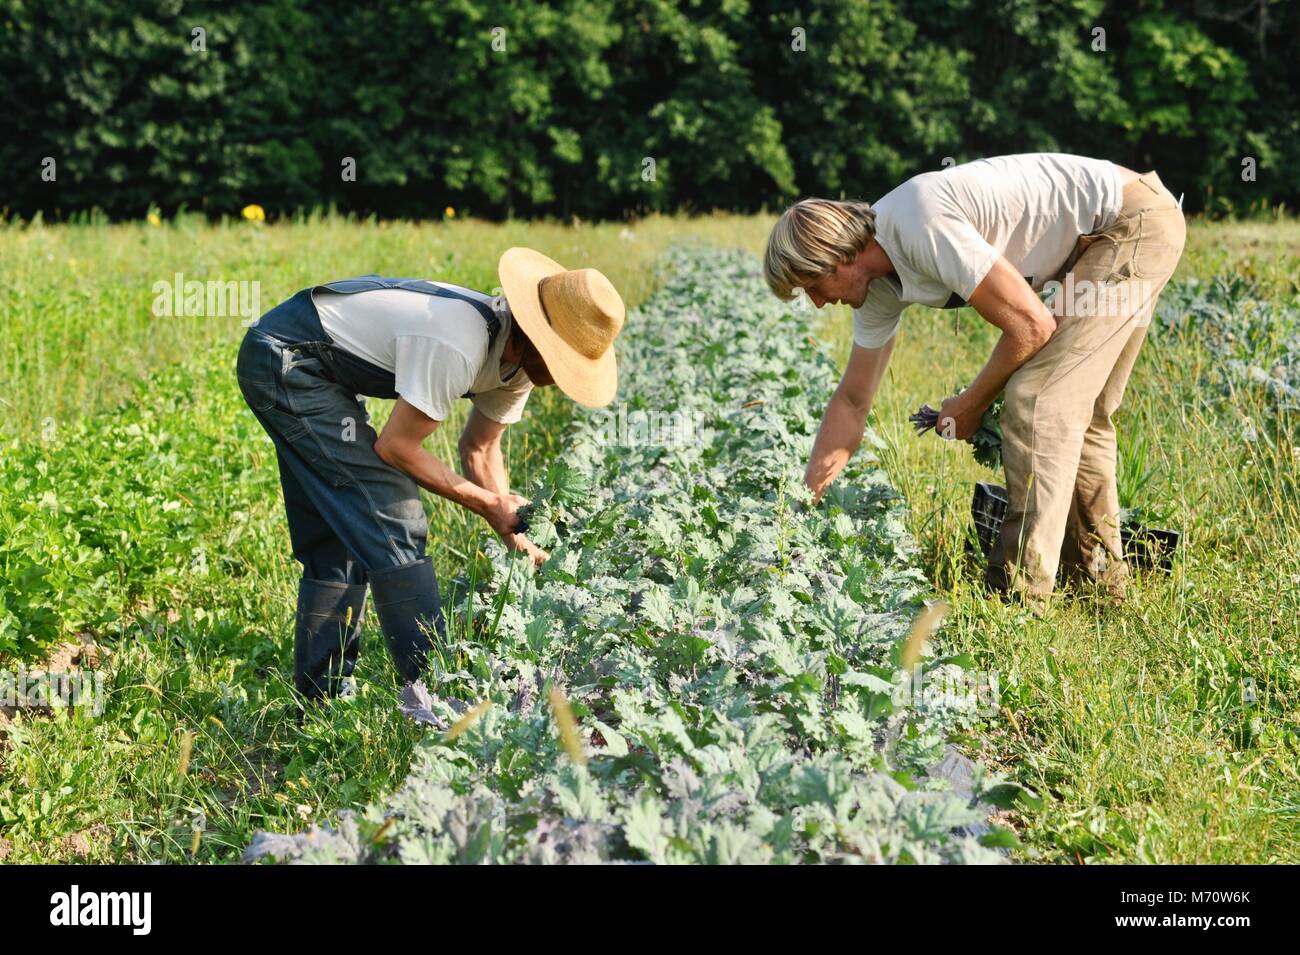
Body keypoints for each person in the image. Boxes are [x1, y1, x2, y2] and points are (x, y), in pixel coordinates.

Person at [762, 153, 1186, 605]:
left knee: (1038, 399)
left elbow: (1031, 325)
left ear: (836, 257)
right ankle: (1098, 584)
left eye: (811, 285)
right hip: (1116, 230)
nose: (818, 303)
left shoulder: (918, 223)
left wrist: (970, 404)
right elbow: (851, 402)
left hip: (1130, 223)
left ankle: (1019, 598)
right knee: (1084, 412)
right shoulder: (877, 288)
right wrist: (803, 513)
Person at [236, 248, 625, 709]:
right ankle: (437, 701)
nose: (563, 380)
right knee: (394, 517)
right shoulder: (459, 343)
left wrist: (513, 530)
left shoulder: (519, 369)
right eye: (564, 364)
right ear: (534, 339)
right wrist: (487, 504)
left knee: (341, 527)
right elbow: (396, 449)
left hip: (316, 369)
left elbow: (480, 449)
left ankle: (319, 700)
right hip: (287, 359)